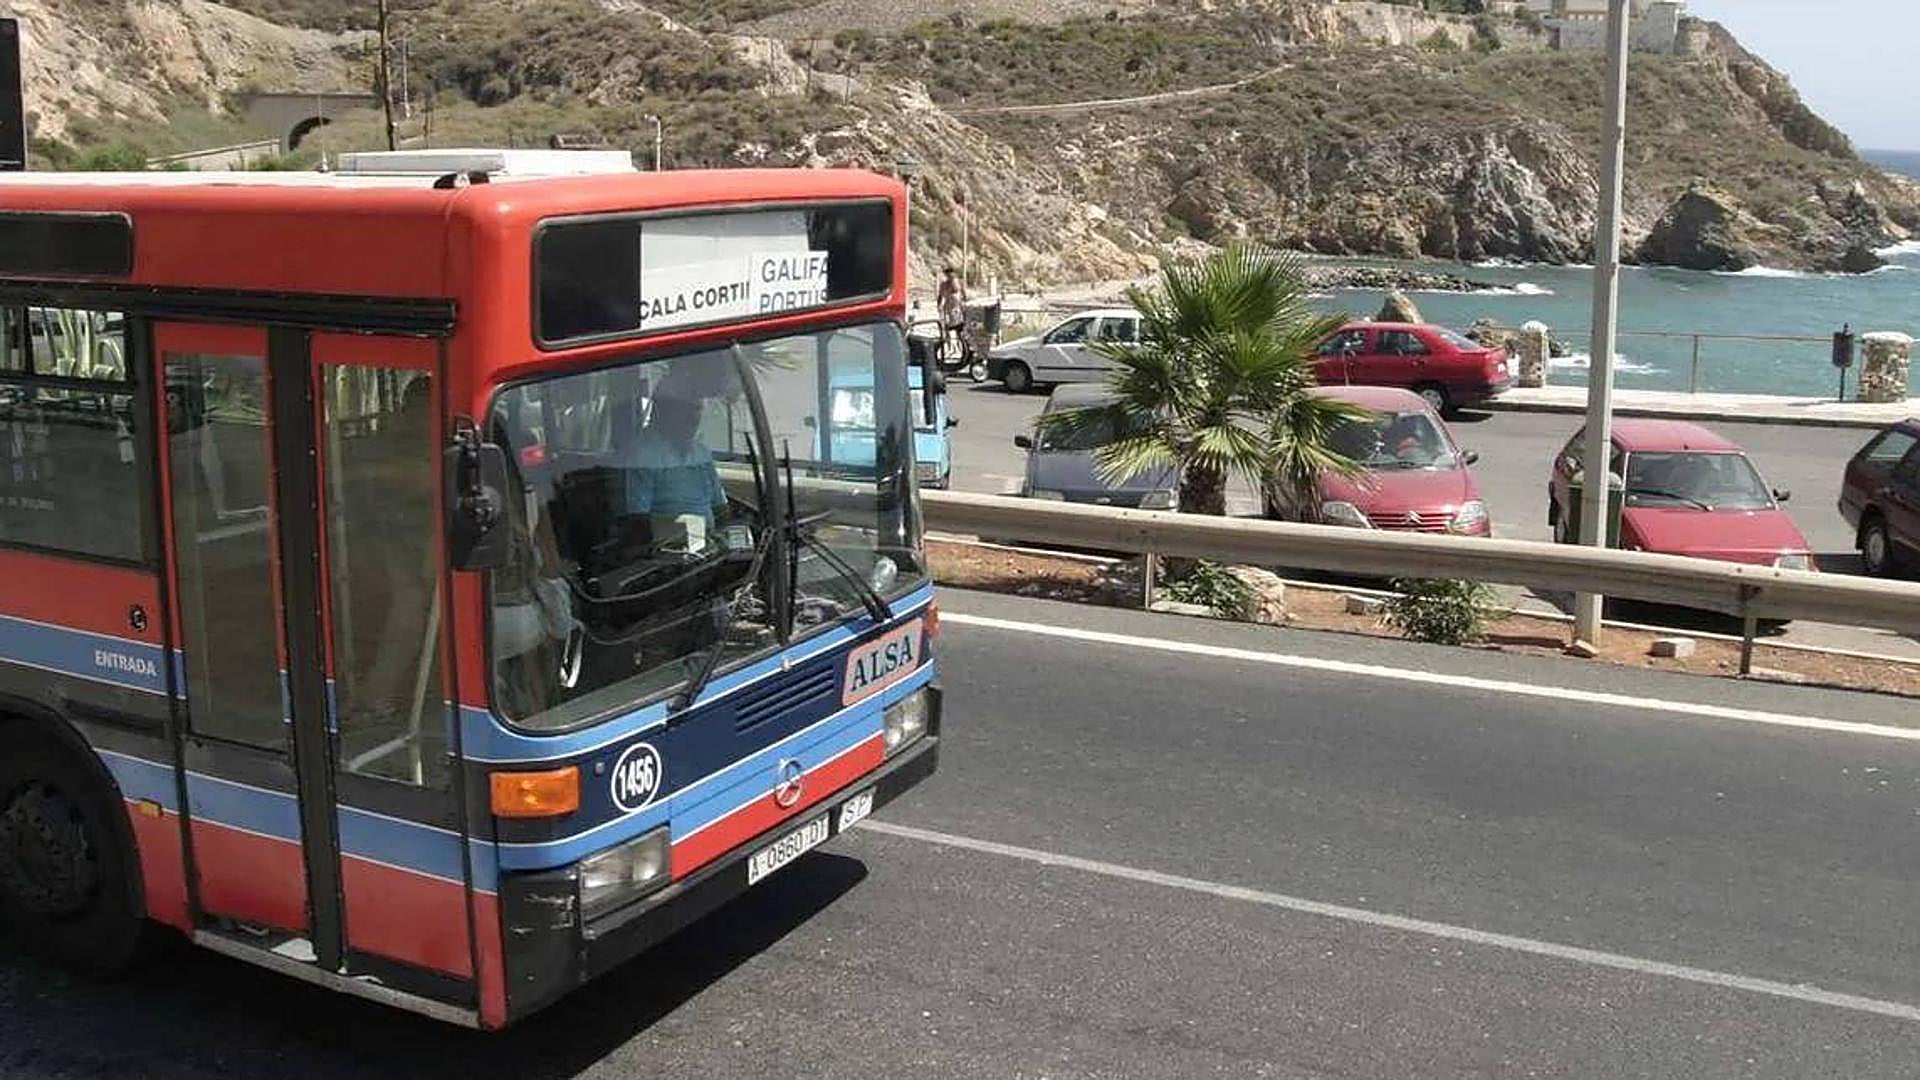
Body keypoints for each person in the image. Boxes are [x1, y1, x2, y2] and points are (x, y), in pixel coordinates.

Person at [621, 368, 730, 553]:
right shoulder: (642, 455)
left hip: (710, 547)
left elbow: (720, 508)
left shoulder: (701, 452)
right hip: (672, 552)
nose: (694, 418)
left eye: (697, 410)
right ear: (664, 412)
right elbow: (638, 521)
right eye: (685, 410)